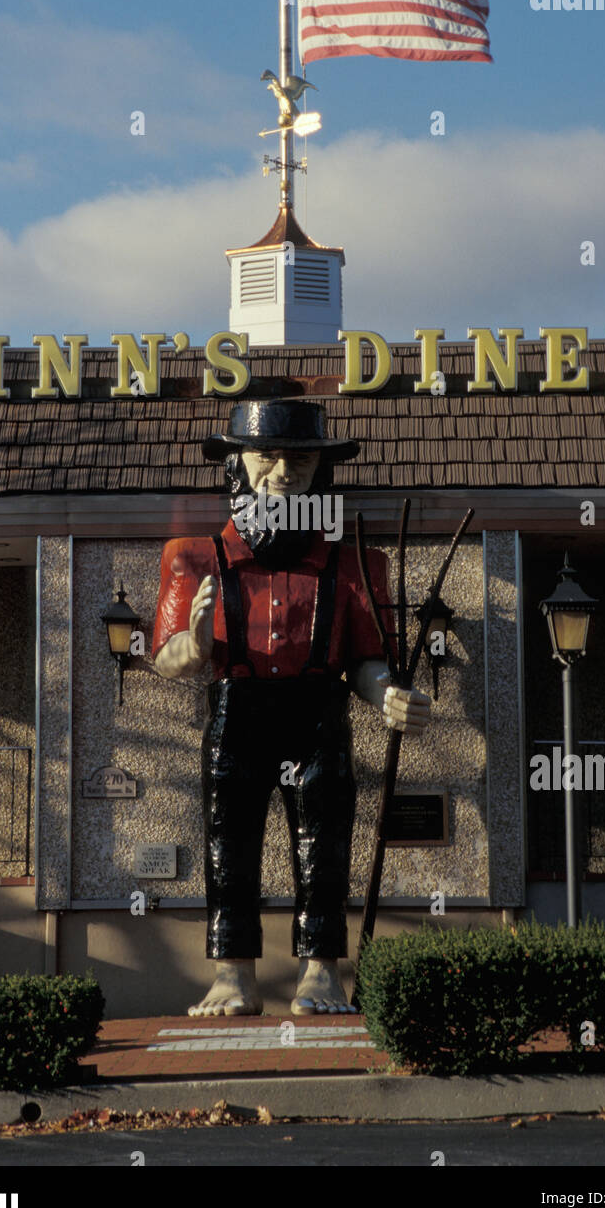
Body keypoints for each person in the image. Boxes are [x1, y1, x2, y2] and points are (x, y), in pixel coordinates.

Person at [151, 399, 431, 1015]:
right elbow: (164, 658)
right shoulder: (192, 557)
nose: (281, 472)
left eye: (299, 458)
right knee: (229, 839)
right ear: (237, 464)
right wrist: (195, 645)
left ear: (320, 471)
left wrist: (388, 694)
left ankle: (321, 973)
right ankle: (232, 975)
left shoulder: (356, 560)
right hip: (237, 709)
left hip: (318, 709)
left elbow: (365, 658)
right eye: (266, 455)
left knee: (324, 841)